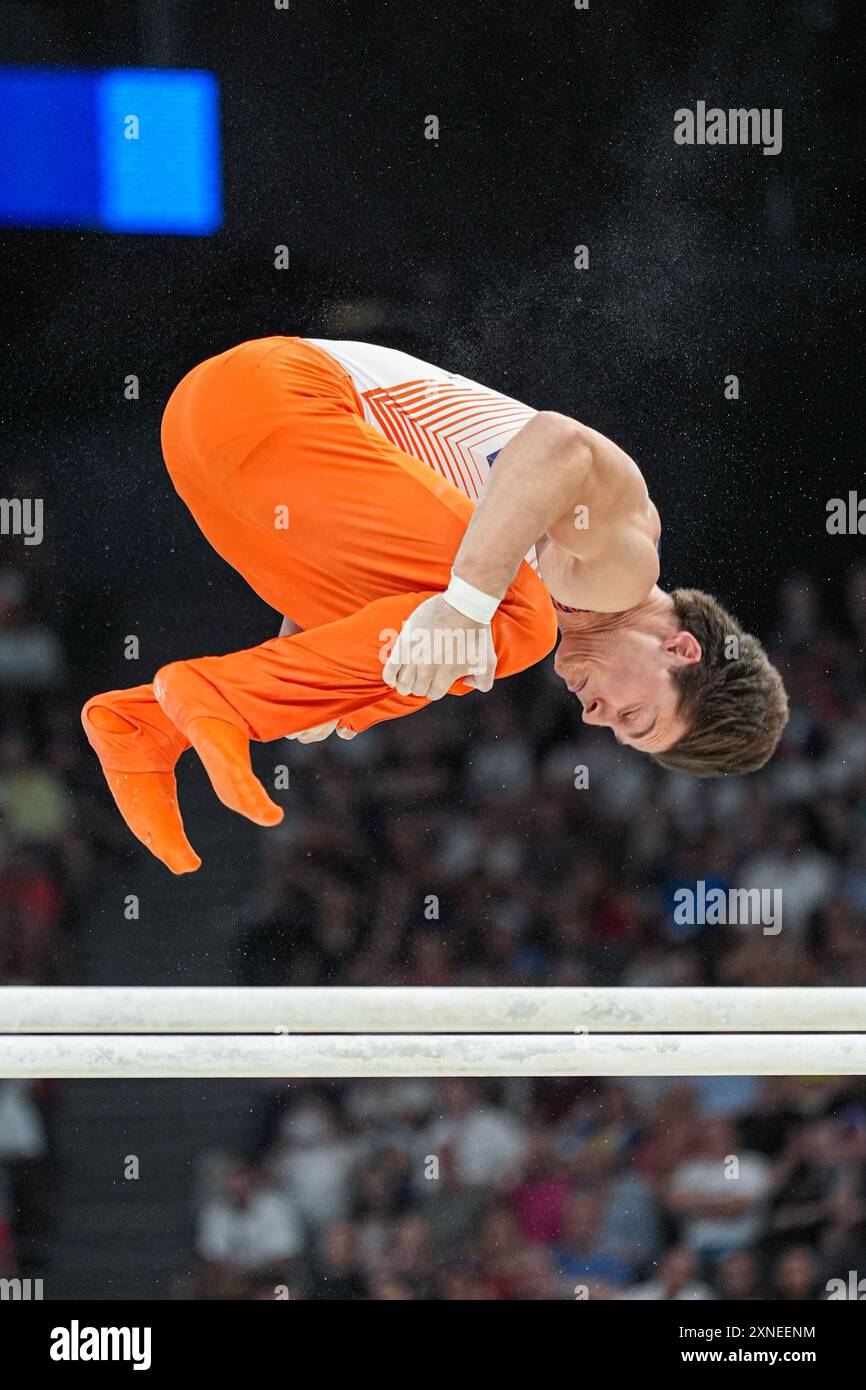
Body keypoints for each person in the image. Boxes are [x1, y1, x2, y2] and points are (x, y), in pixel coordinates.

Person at [82, 338, 788, 872]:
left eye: (616, 732)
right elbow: (558, 440)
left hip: (212, 440)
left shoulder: (528, 589)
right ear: (681, 648)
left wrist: (329, 651)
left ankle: (146, 726)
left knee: (436, 653)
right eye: (636, 715)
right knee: (506, 624)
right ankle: (219, 698)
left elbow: (391, 544)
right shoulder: (627, 566)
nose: (595, 717)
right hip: (278, 397)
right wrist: (471, 601)